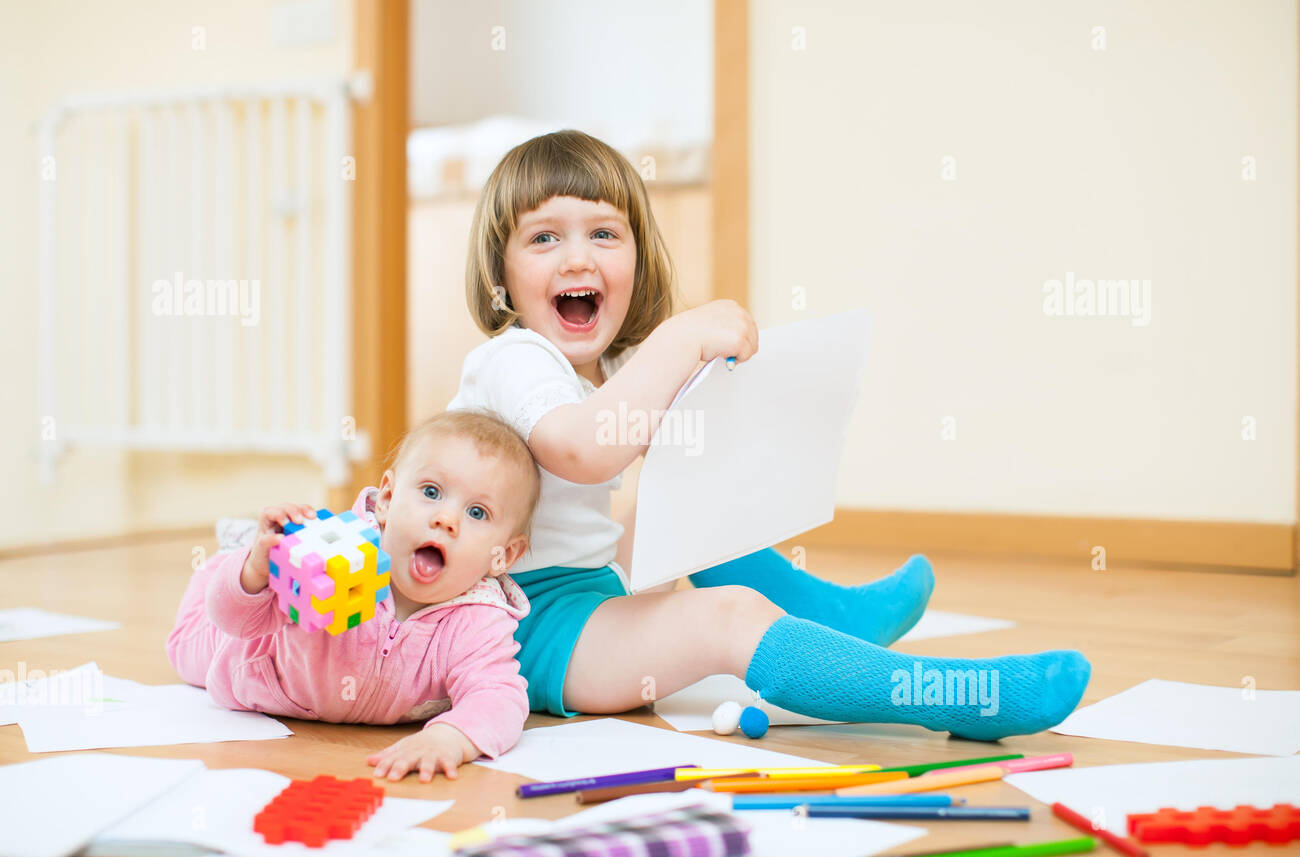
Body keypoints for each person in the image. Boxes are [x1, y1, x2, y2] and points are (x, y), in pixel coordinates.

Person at [447, 129, 1090, 741]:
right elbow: (581, 449)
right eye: (544, 239)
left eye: (605, 233)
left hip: (583, 589)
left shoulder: (608, 369)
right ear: (499, 275)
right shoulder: (515, 358)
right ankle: (940, 693)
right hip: (520, 626)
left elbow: (677, 453)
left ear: (637, 262)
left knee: (693, 500)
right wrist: (677, 342)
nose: (578, 257)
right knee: (728, 616)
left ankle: (832, 619)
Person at [166, 410, 540, 781]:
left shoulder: (479, 619)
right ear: (388, 500)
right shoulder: (336, 560)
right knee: (185, 650)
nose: (446, 519)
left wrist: (451, 738)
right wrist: (255, 572)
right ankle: (235, 555)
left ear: (503, 555)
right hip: (250, 655)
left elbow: (499, 697)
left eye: (477, 512)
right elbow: (234, 618)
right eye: (431, 492)